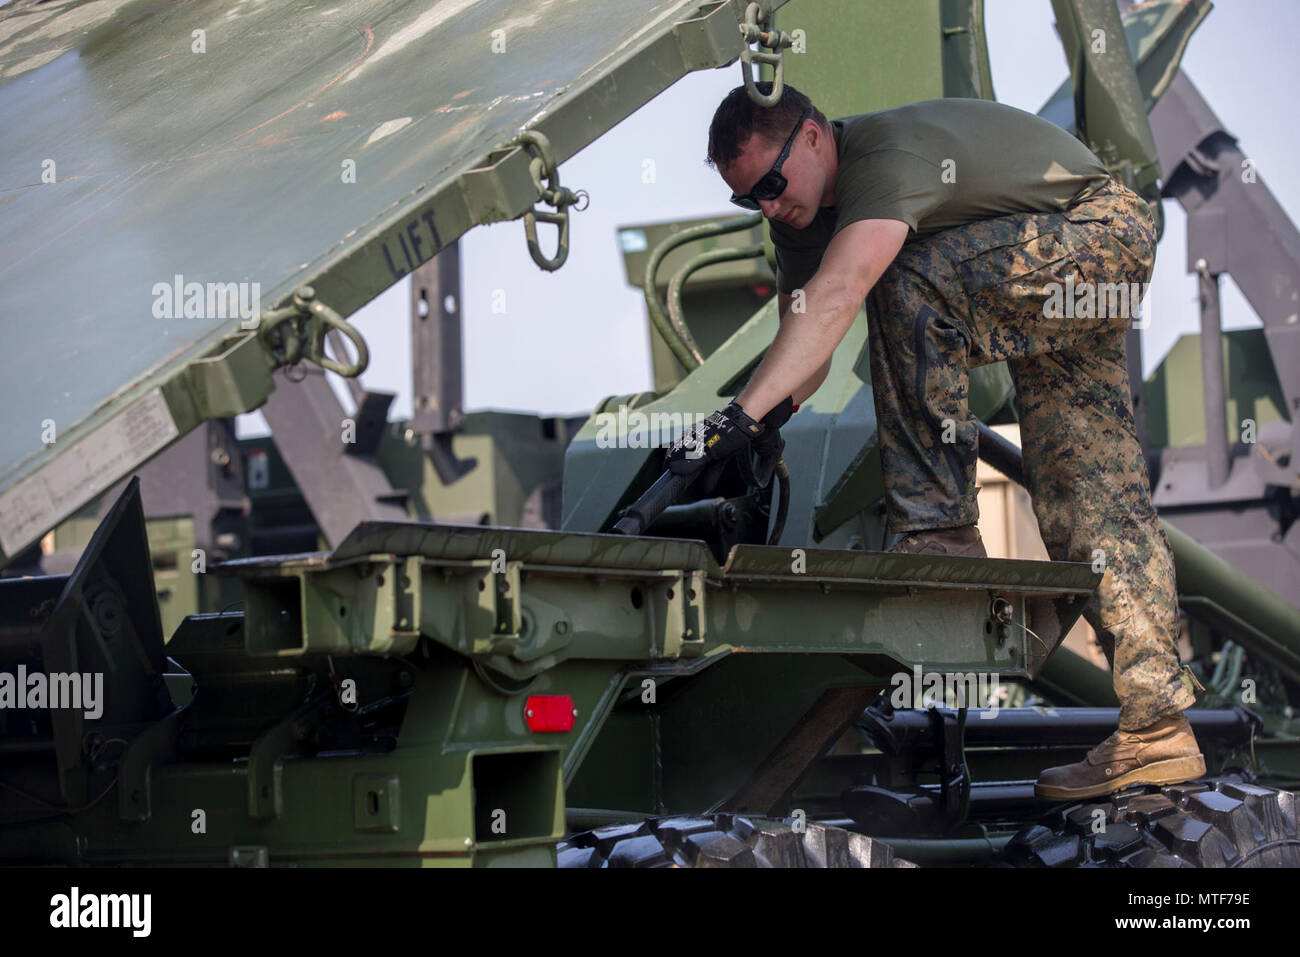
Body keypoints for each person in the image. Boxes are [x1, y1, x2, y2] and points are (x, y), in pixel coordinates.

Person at [666, 82, 1205, 801]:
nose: (767, 206)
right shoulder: (797, 219)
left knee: (908, 278)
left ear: (815, 137)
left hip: (1099, 232)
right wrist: (751, 424)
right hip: (1045, 266)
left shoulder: (880, 158)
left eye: (771, 182)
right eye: (748, 198)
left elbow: (846, 289)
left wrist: (739, 416)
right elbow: (808, 338)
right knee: (1088, 493)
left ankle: (940, 531)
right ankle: (1157, 727)